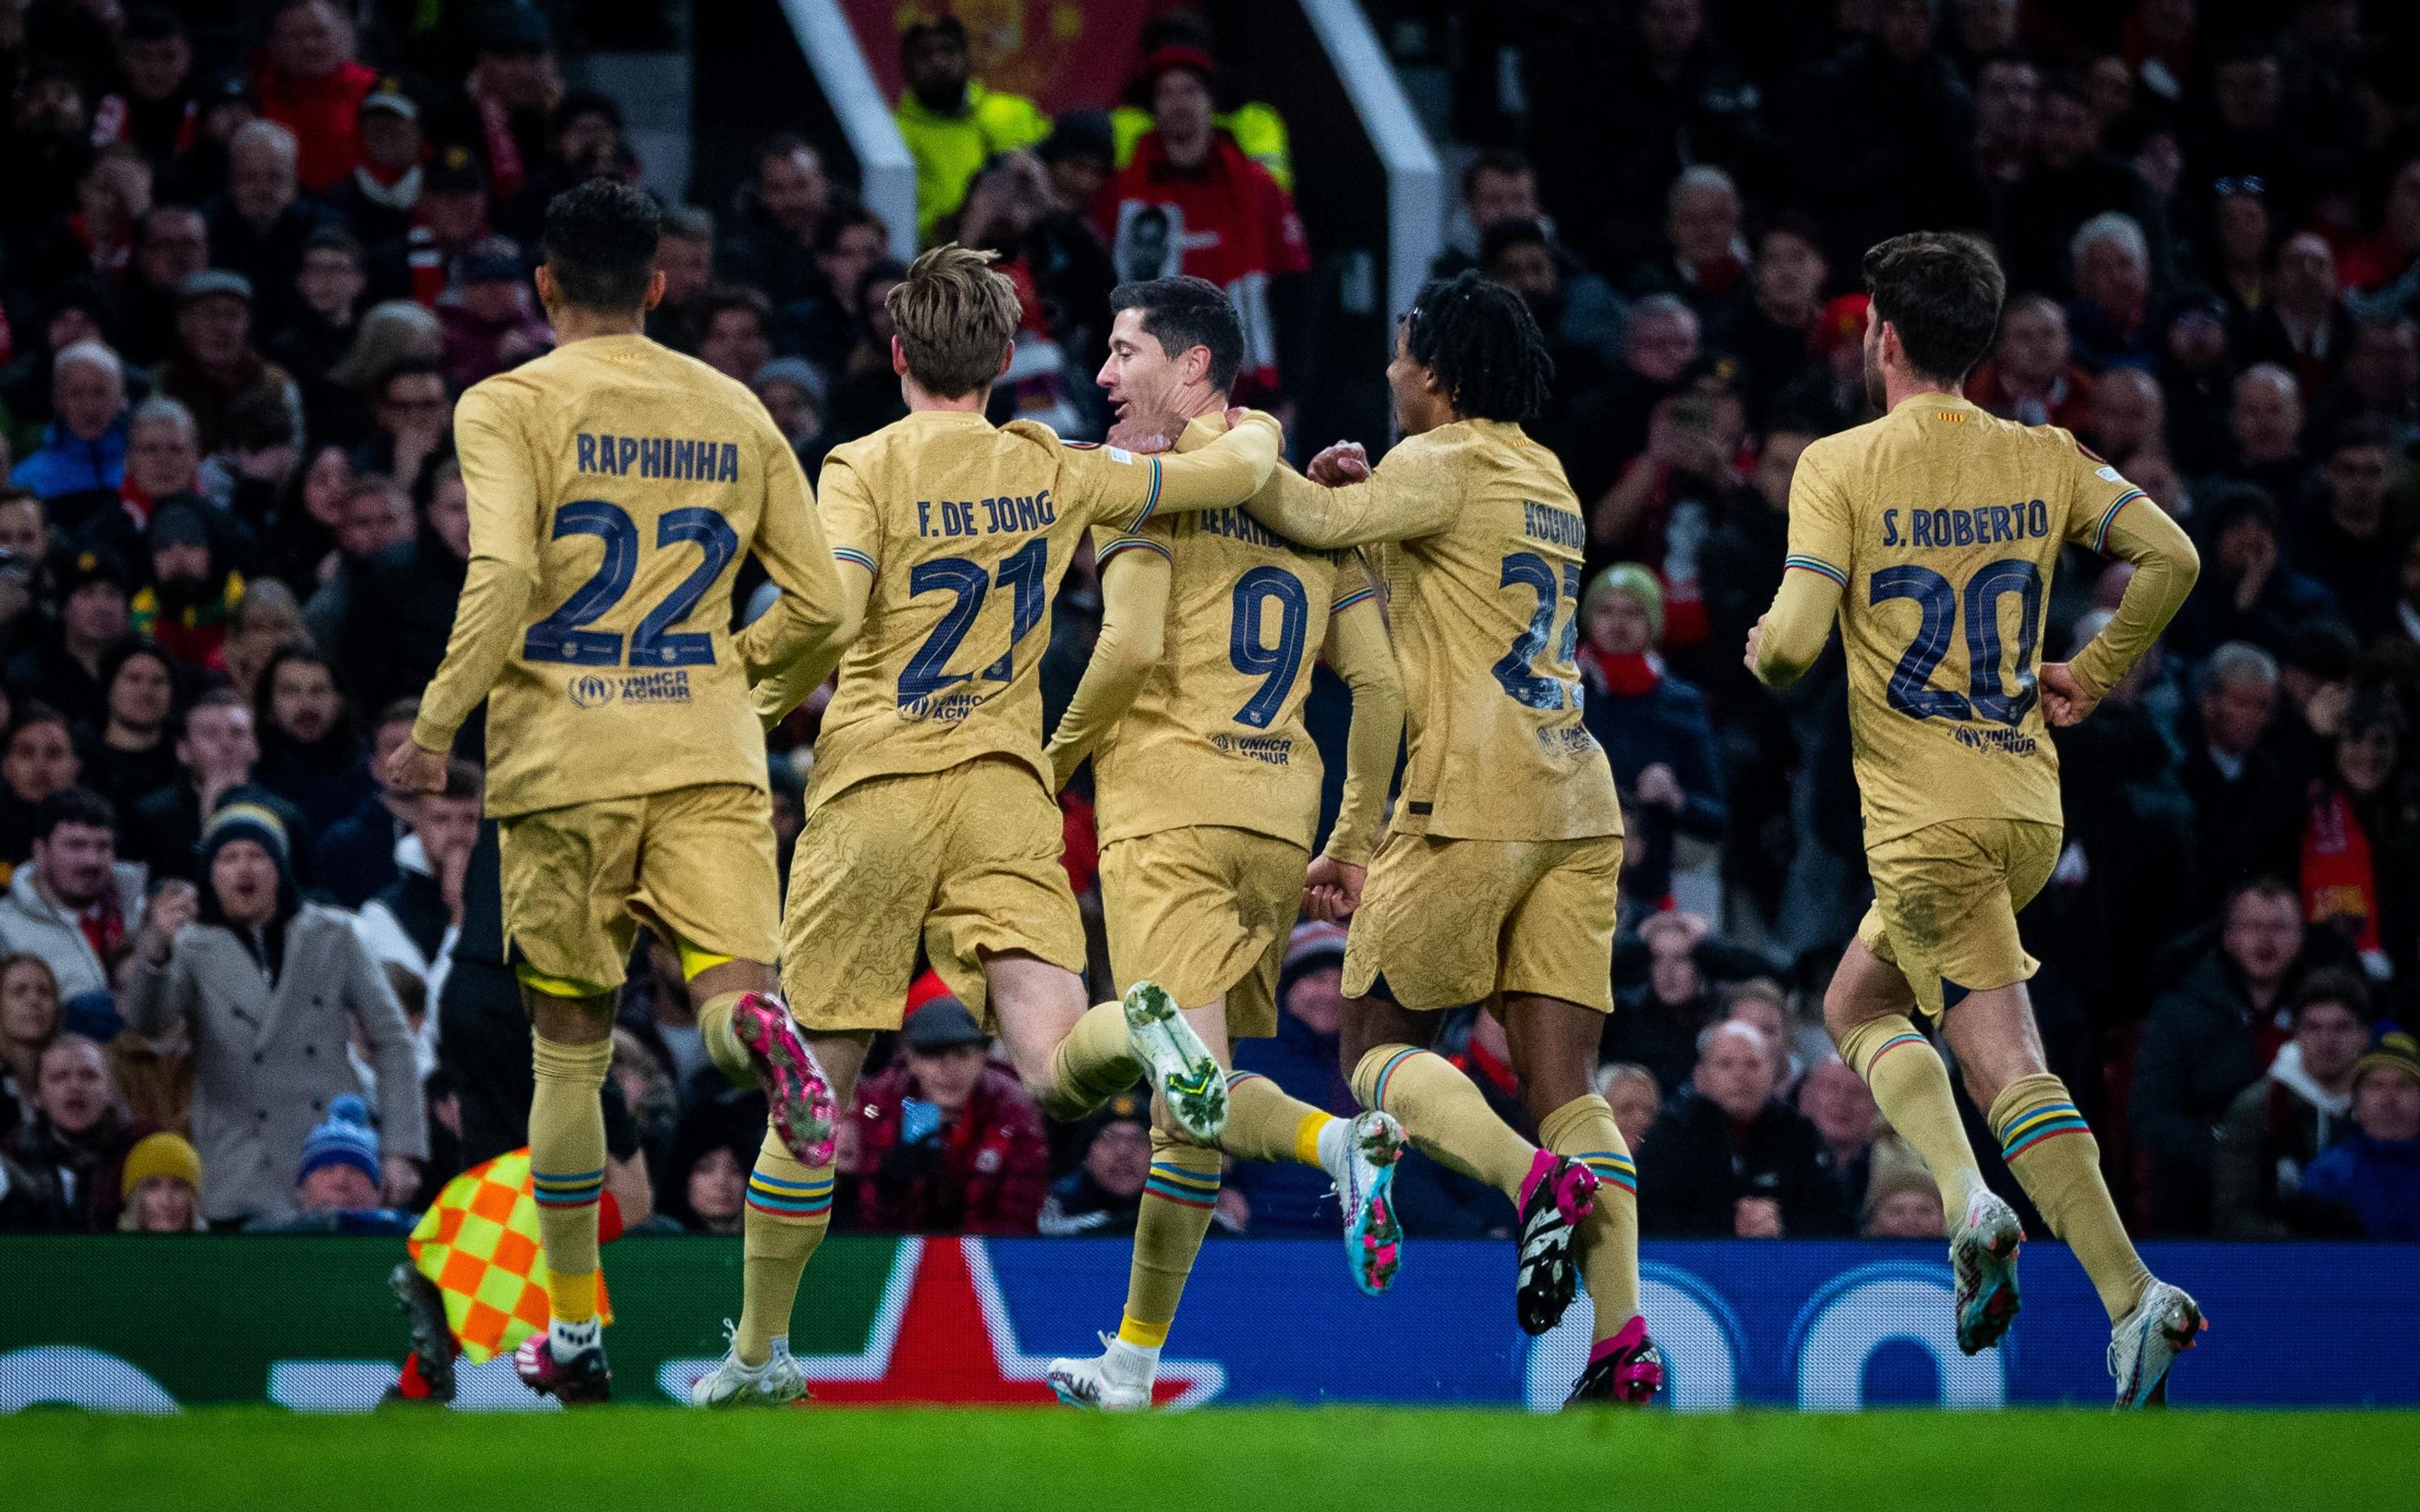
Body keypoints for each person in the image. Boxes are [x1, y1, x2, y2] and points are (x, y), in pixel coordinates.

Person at [722, 243, 1285, 1408]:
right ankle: (1152, 1033)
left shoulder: (862, 463)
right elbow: (1211, 480)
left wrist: (741, 694)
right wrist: (1265, 437)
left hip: (877, 786)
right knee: (1055, 1064)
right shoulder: (1051, 465)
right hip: (1006, 792)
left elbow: (823, 613)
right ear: (1003, 359)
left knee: (817, 1084)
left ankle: (761, 1354)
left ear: (896, 354)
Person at [381, 179, 857, 1406]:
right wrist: (731, 683)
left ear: (543, 285)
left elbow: (499, 579)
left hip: (564, 764)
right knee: (724, 998)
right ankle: (758, 1037)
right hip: (706, 753)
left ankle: (578, 1333)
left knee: (571, 1058)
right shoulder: (738, 407)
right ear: (661, 285)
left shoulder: (507, 403)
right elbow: (823, 610)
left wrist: (436, 729)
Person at [1748, 231, 2204, 1405]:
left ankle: (2114, 1287)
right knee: (1857, 999)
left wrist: (1767, 649)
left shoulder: (1840, 462)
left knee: (2005, 1063)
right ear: (1984, 345)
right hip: (2025, 805)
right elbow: (2172, 556)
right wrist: (2091, 672)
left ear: (1881, 337)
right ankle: (1975, 1210)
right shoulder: (2044, 453)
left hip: (1928, 820)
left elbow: (1796, 644)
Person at [1222, 271, 1658, 1405]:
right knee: (1565, 1080)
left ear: (1443, 375)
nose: (1388, 368)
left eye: (1404, 352)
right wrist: (1374, 503)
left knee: (1371, 1049)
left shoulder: (1442, 460)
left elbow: (1311, 522)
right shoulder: (1545, 473)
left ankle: (1531, 1186)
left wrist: (1239, 443)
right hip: (1578, 796)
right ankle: (1623, 1338)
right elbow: (1434, 587)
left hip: (1472, 798)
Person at [1036, 276, 1408, 1408]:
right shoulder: (1305, 502)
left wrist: (1041, 772)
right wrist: (1350, 837)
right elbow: (1383, 691)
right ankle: (1136, 1357)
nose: (1104, 377)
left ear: (1194, 367)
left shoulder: (1150, 488)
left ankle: (1335, 1149)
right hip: (1275, 821)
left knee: (1177, 1080)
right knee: (1191, 1102)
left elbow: (1132, 645)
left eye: (1125, 353)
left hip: (1169, 811)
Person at [122, 803, 425, 1227]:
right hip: (240, 1168)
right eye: (229, 858)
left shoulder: (334, 934)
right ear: (210, 874)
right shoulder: (191, 947)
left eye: (257, 856)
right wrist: (155, 949)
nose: (244, 869)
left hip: (332, 1164)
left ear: (280, 868)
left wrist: (401, 1149)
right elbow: (147, 1023)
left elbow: (393, 1041)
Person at [1096, 47, 1311, 402]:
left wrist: (1288, 393)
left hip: (1245, 387)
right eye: (1167, 93)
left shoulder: (1259, 187)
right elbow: (1099, 288)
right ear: (1154, 107)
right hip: (1144, 391)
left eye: (1191, 91)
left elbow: (1293, 293)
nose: (1179, 103)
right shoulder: (1120, 192)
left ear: (1211, 101)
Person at [2132, 878, 2310, 1232]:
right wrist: (2231, 1160)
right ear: (2228, 936)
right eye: (2253, 926)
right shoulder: (2179, 1012)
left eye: (2280, 927)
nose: (2266, 940)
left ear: (2302, 937)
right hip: (2202, 1180)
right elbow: (2150, 1114)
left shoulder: (2325, 1012)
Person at [853, 996, 1050, 1235]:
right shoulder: (880, 1102)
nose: (949, 1068)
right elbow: (869, 1226)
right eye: (932, 1053)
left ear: (982, 1057)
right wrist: (890, 1191)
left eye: (963, 1052)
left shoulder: (1015, 1106)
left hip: (987, 1257)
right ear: (911, 1060)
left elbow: (1018, 1220)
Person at [1636, 1021, 1848, 1237]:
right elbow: (1647, 1218)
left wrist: (1783, 1224)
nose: (1740, 1075)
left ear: (1772, 1073)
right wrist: (1727, 1226)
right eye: (1725, 1064)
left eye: (1752, 1064)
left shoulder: (1800, 1133)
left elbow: (1836, 1218)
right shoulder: (1670, 1134)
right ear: (1700, 1078)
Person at [2213, 971, 2370, 1238]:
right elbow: (2232, 1214)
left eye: (2342, 1027)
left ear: (2364, 1035)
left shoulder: (2390, 1104)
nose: (2327, 1041)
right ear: (2295, 1033)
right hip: (2281, 1260)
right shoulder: (2258, 1108)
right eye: (2313, 1027)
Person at [892, 14, 1050, 240]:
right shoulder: (892, 133)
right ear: (907, 68)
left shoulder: (1015, 111)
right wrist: (956, 222)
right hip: (942, 259)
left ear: (967, 58)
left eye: (948, 50)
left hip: (1028, 256)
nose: (938, 62)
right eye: (924, 55)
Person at [0, 788, 147, 1001]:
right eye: (76, 846)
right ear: (40, 851)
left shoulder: (144, 914)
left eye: (103, 846)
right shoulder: (5, 929)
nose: (92, 861)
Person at [2297, 1029, 2420, 1240]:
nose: (2389, 1099)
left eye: (2404, 1085)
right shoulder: (2329, 1174)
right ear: (2357, 1101)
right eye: (2376, 1086)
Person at [11, 344, 129, 501]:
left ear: (122, 399)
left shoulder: (147, 468)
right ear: (58, 400)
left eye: (100, 392)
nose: (88, 407)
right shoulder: (26, 480)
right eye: (76, 394)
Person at [118, 1129, 203, 1232]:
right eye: (153, 1186)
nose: (166, 1201)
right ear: (135, 1197)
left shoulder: (214, 1247)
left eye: (178, 1186)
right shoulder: (109, 1248)